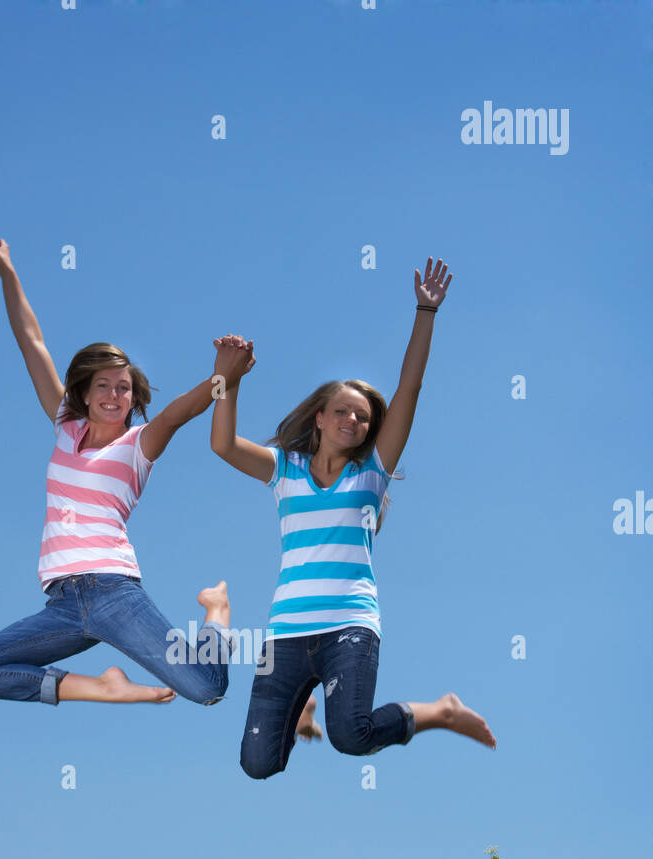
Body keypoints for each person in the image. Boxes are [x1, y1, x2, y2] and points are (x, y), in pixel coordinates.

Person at [209, 257, 496, 779]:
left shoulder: (372, 473)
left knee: (351, 736)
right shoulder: (284, 470)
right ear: (319, 417)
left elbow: (408, 390)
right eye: (342, 410)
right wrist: (226, 381)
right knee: (257, 764)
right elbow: (223, 444)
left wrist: (425, 311)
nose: (353, 420)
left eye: (362, 416)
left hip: (349, 627)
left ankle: (440, 711)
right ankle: (303, 706)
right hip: (286, 632)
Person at [0, 238, 241, 710]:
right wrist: (8, 271)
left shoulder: (138, 446)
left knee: (208, 687)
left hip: (114, 593)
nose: (114, 394)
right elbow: (32, 342)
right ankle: (104, 687)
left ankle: (217, 611)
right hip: (63, 604)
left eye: (125, 388)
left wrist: (223, 377)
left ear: (134, 398)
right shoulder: (65, 428)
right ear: (85, 393)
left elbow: (176, 414)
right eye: (104, 385)